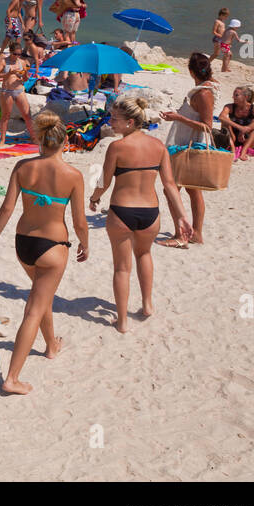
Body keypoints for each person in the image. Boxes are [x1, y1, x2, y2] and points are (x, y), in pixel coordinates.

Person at [0, 112, 89, 395]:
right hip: (53, 247)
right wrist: (85, 243)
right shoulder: (73, 175)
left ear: (40, 140)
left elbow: (6, 208)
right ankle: (12, 378)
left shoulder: (22, 166)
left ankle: (51, 345)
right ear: (65, 142)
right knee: (34, 308)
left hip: (23, 243)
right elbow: (79, 221)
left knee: (42, 298)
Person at [88, 96, 192, 333]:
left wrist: (94, 198)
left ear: (131, 122)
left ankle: (123, 321)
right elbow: (170, 185)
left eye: (116, 119)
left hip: (121, 212)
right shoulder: (158, 146)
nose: (111, 122)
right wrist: (183, 216)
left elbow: (104, 181)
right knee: (144, 255)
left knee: (122, 268)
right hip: (150, 213)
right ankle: (147, 305)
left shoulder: (117, 147)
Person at [158, 52, 217, 247]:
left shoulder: (203, 93)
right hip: (186, 144)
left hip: (188, 147)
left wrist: (179, 118)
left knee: (172, 190)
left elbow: (208, 126)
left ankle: (181, 234)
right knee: (192, 191)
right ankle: (195, 234)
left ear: (191, 71)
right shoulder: (203, 88)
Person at [0, 41, 33, 145]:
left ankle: (34, 138)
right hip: (7, 91)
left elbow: (24, 79)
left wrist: (25, 75)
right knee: (5, 116)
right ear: (10, 52)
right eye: (15, 54)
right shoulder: (4, 61)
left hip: (19, 89)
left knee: (27, 115)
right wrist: (9, 73)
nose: (17, 56)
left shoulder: (22, 62)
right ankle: (2, 140)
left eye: (19, 54)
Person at [218, 85, 254, 160]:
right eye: (233, 95)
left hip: (248, 140)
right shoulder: (230, 106)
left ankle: (243, 151)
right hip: (233, 138)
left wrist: (246, 129)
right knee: (226, 121)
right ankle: (232, 148)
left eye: (236, 95)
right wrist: (240, 128)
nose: (233, 97)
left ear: (246, 97)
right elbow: (221, 117)